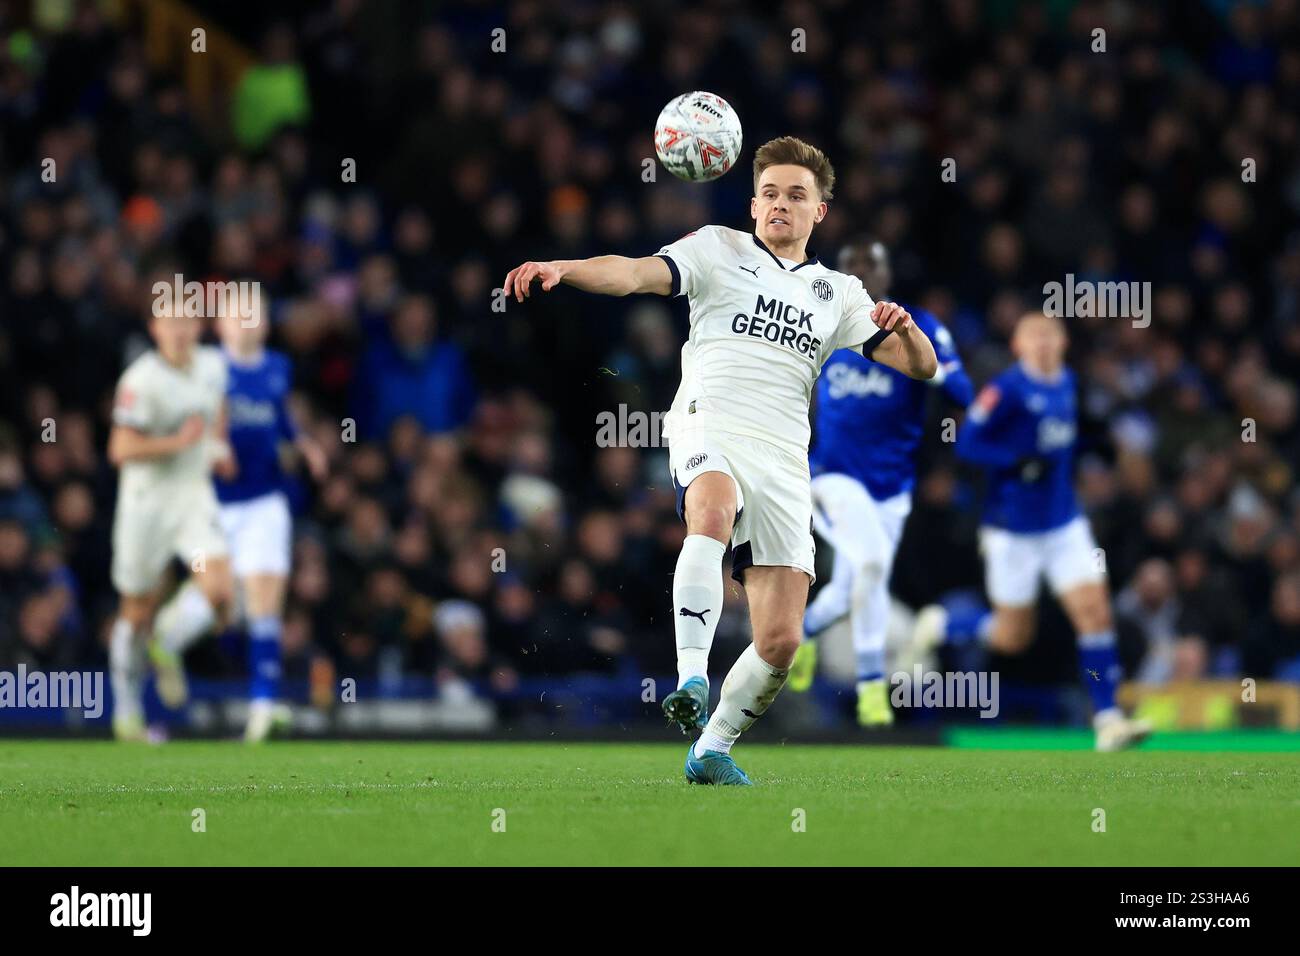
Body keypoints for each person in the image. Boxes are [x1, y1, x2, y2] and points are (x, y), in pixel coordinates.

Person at [503, 136, 937, 784]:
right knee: (710, 511)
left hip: (787, 458)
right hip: (710, 422)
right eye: (769, 193)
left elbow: (923, 368)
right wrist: (565, 268)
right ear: (753, 202)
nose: (779, 205)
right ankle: (691, 678)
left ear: (820, 211)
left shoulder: (839, 293)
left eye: (796, 195)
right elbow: (632, 273)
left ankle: (712, 747)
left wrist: (904, 328)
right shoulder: (717, 249)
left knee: (782, 640)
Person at [913, 311, 1151, 751]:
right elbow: (968, 444)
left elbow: (1065, 440)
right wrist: (1016, 460)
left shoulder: (1068, 383)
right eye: (1033, 336)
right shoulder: (1006, 389)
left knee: (1095, 614)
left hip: (1064, 524)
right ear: (1019, 345)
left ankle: (1108, 718)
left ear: (1062, 342)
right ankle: (951, 625)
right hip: (1012, 531)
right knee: (1012, 636)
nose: (1042, 344)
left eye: (1050, 335)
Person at [790, 237, 973, 725]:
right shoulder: (822, 321)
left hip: (891, 488)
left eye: (872, 265)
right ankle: (872, 685)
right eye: (853, 265)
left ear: (888, 274)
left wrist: (921, 360)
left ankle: (805, 634)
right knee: (870, 565)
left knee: (856, 581)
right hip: (831, 477)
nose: (863, 273)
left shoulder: (918, 326)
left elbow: (962, 388)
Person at [107, 298, 234, 741]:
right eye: (170, 322)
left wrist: (219, 448)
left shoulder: (213, 366)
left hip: (193, 503)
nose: (179, 330)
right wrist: (177, 442)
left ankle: (169, 641)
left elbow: (217, 410)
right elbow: (120, 449)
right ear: (154, 327)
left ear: (199, 326)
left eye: (187, 321)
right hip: (146, 505)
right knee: (135, 610)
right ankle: (126, 714)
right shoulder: (141, 380)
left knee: (218, 591)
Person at [215, 309, 327, 742]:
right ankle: (166, 650)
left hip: (265, 501)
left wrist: (303, 444)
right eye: (239, 316)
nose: (249, 323)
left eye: (256, 314)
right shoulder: (208, 368)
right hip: (216, 504)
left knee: (265, 603)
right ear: (221, 324)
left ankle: (262, 703)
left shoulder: (279, 366)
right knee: (220, 607)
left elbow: (281, 416)